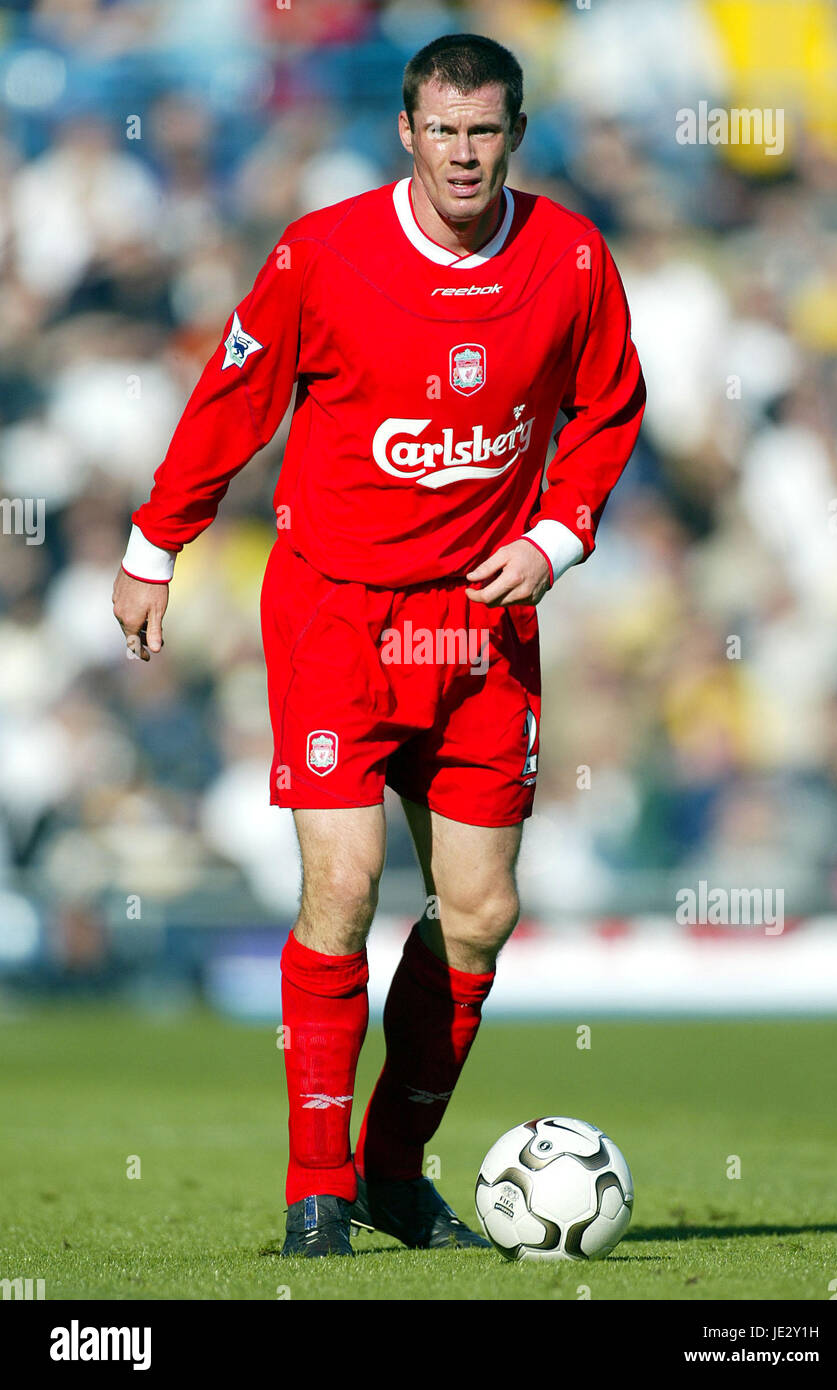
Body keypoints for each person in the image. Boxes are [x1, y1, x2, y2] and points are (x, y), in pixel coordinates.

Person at [112, 32, 646, 1257]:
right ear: (405, 132)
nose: (464, 154)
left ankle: (393, 1176)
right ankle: (314, 1189)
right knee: (341, 884)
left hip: (482, 623)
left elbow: (610, 403)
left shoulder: (567, 255)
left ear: (516, 133)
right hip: (338, 613)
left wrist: (559, 536)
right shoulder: (326, 252)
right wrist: (156, 543)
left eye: (486, 131)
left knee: (479, 912)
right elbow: (235, 394)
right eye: (442, 131)